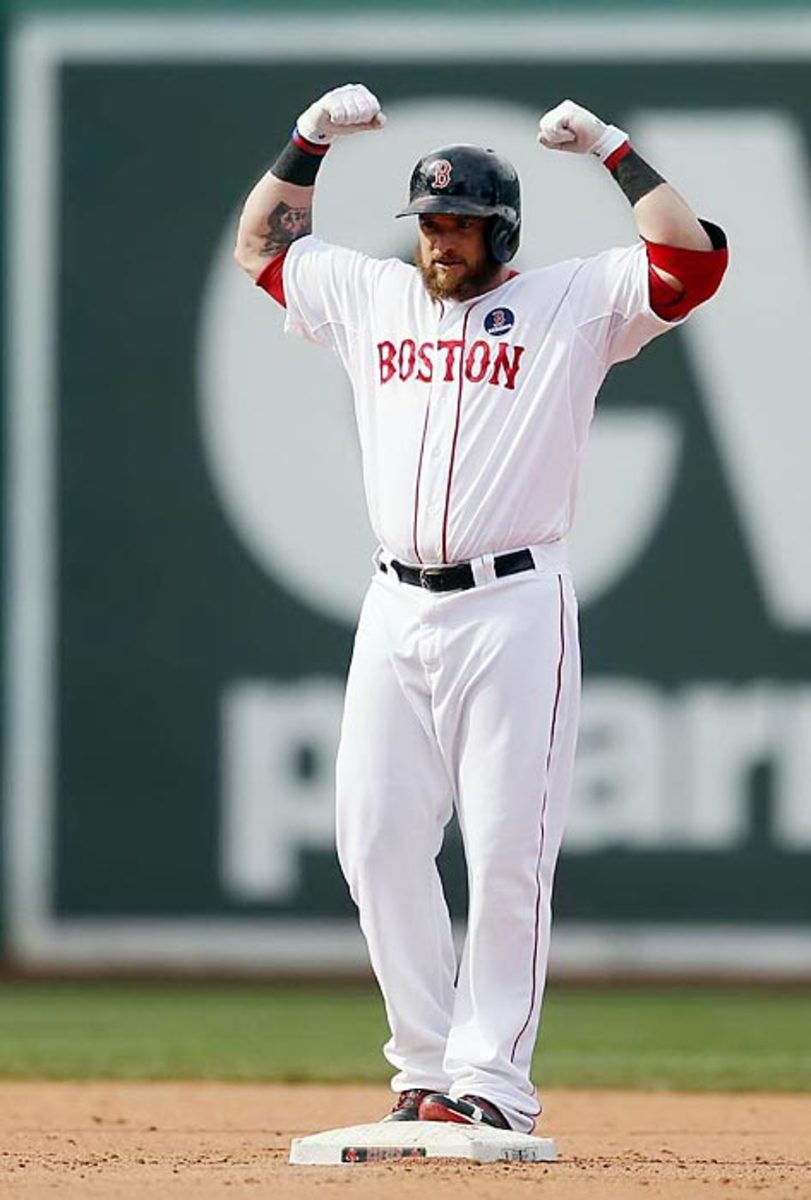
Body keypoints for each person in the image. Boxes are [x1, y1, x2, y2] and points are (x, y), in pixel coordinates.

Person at [234, 85, 728, 1134]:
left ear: (500, 230)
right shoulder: (374, 296)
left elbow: (688, 264)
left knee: (507, 851)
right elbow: (263, 249)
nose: (438, 239)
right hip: (394, 604)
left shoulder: (570, 303)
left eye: (458, 222)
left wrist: (613, 149)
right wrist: (307, 141)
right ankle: (423, 1069)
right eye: (428, 222)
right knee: (373, 839)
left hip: (513, 606)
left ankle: (492, 1083)